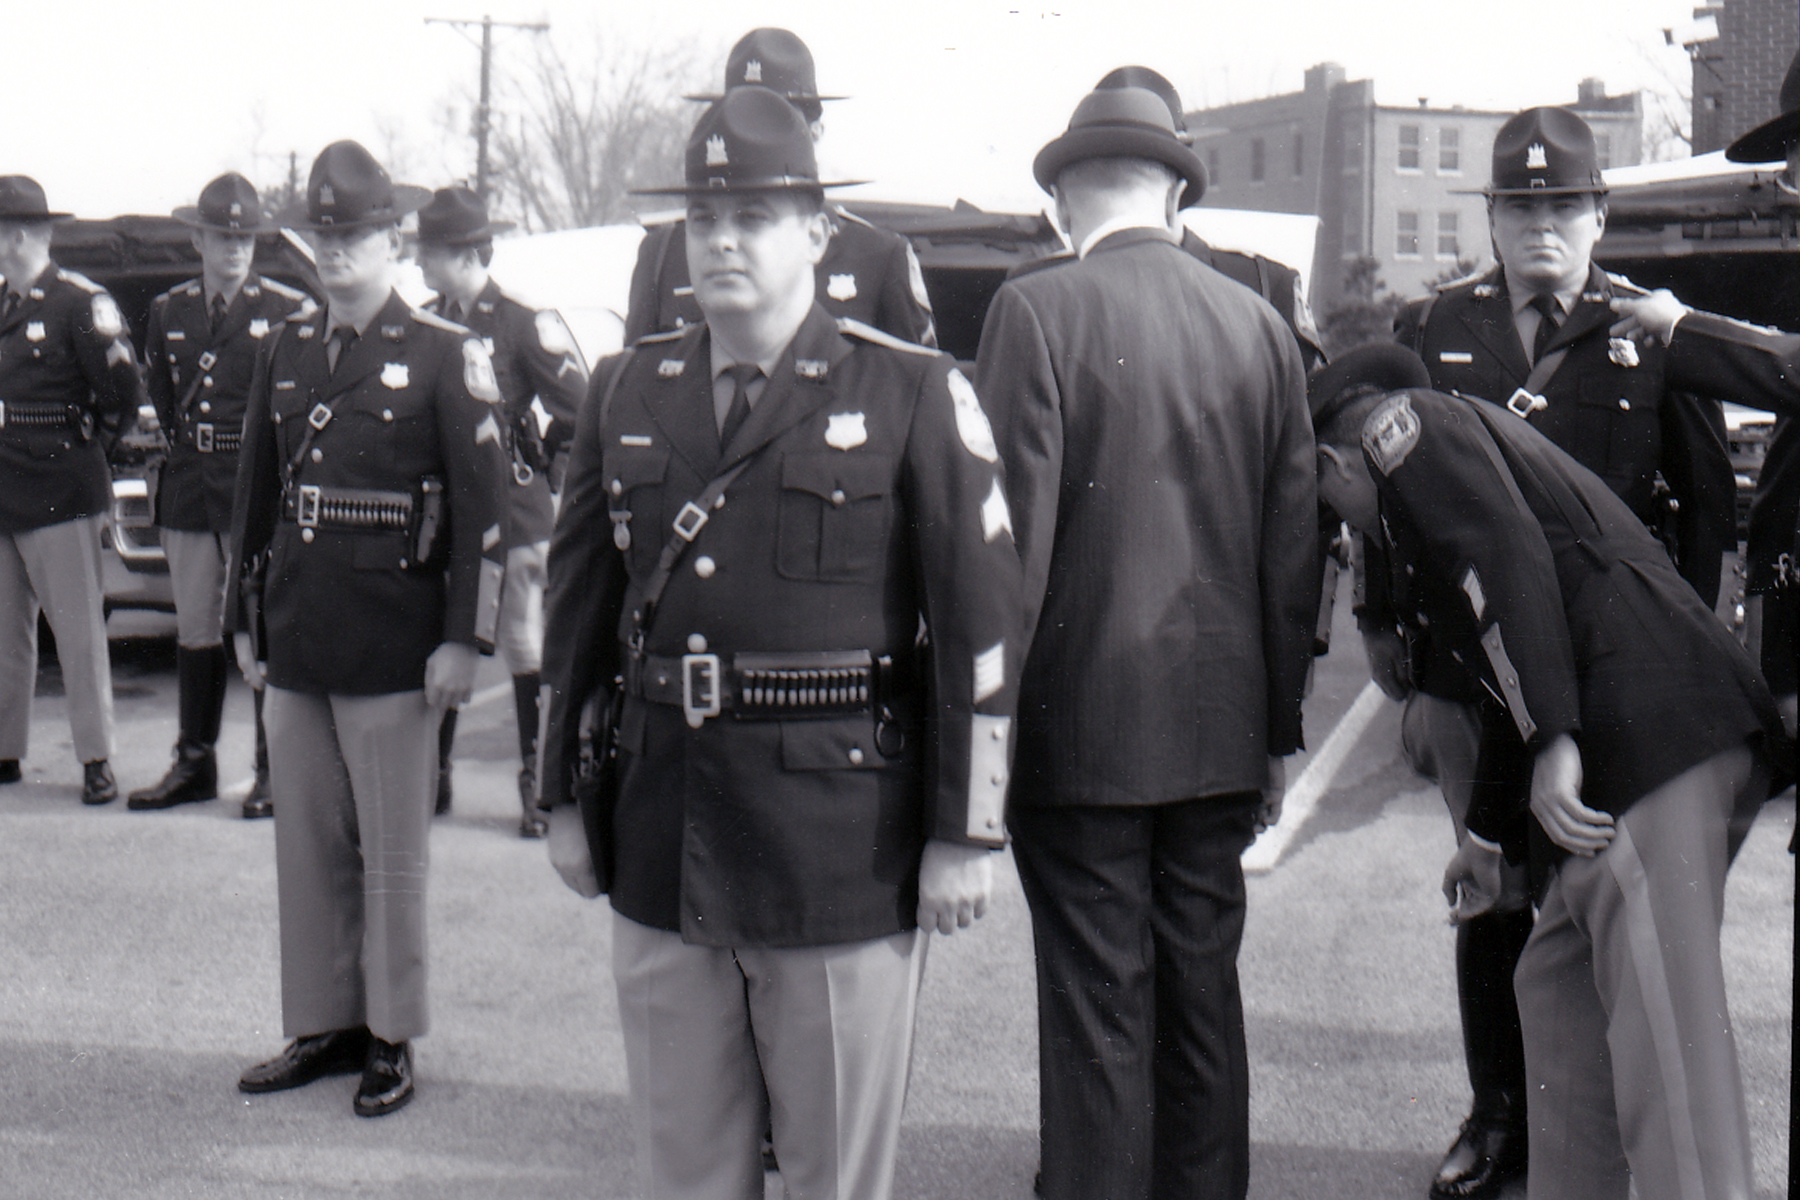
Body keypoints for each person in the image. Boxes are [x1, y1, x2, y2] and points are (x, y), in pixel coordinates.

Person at [540, 86, 1019, 1200]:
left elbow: (981, 624)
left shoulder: (910, 392)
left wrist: (967, 832)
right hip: (664, 829)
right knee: (682, 1172)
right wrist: (561, 796)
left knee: (833, 1176)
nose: (722, 241)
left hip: (838, 850)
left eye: (753, 217)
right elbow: (575, 614)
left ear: (816, 232)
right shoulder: (625, 390)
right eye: (704, 219)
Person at [1376, 103, 1800, 1200]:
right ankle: (1499, 1116)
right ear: (1491, 220)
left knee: (1615, 908)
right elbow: (1402, 509)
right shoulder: (1441, 325)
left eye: (1563, 204)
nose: (1542, 225)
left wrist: (1677, 658)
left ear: (1600, 214)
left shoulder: (1643, 328)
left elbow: (1700, 509)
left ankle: (1612, 1143)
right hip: (1479, 674)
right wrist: (1391, 638)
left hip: (1614, 682)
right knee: (1497, 898)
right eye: (1520, 207)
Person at [1310, 342, 1793, 1200]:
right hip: (1642, 734)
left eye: (1327, 503)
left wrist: (1555, 742)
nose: (1347, 528)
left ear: (1331, 462)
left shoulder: (1402, 429)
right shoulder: (1446, 463)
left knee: (1668, 1046)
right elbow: (1511, 656)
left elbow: (1508, 557)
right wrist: (1490, 837)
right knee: (1557, 987)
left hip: (1647, 736)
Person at [975, 85, 1318, 1200]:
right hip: (1219, 728)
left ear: (1062, 201)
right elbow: (1291, 554)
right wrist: (1275, 734)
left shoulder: (1035, 312)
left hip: (1078, 731)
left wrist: (985, 744)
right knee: (1203, 997)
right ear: (1176, 194)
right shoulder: (1259, 326)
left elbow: (1008, 554)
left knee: (1097, 1009)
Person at [229, 141, 508, 1118]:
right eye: (324, 235)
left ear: (394, 240)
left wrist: (466, 640)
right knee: (306, 845)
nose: (336, 251)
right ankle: (323, 1023)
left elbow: (484, 514)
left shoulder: (443, 353)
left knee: (391, 855)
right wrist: (242, 621)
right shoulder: (287, 348)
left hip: (397, 641)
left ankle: (390, 1032)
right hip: (300, 632)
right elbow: (257, 496)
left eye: (354, 234)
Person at [128, 173, 313, 817]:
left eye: (244, 238)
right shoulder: (169, 310)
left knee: (259, 624)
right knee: (196, 626)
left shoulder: (287, 309)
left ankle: (270, 768)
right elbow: (161, 393)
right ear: (199, 240)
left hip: (253, 482)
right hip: (190, 482)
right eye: (222, 237)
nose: (234, 248)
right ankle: (194, 762)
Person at [416, 186, 587, 836]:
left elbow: (581, 406)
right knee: (445, 634)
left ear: (464, 254)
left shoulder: (520, 322)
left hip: (514, 508)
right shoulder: (426, 321)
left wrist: (540, 457)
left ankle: (536, 782)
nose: (419, 261)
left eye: (429, 250)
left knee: (521, 641)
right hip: (449, 511)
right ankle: (433, 774)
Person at [622, 27, 936, 349]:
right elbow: (640, 372)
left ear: (816, 131)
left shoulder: (879, 255)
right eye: (744, 114)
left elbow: (911, 372)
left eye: (778, 117)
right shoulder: (664, 254)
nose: (756, 136)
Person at [0, 175, 146, 805]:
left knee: (78, 632)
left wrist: (87, 451)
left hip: (61, 484)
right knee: (5, 630)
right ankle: (5, 749)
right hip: (4, 484)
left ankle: (95, 757)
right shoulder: (4, 301)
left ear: (18, 235)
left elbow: (122, 395)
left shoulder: (79, 302)